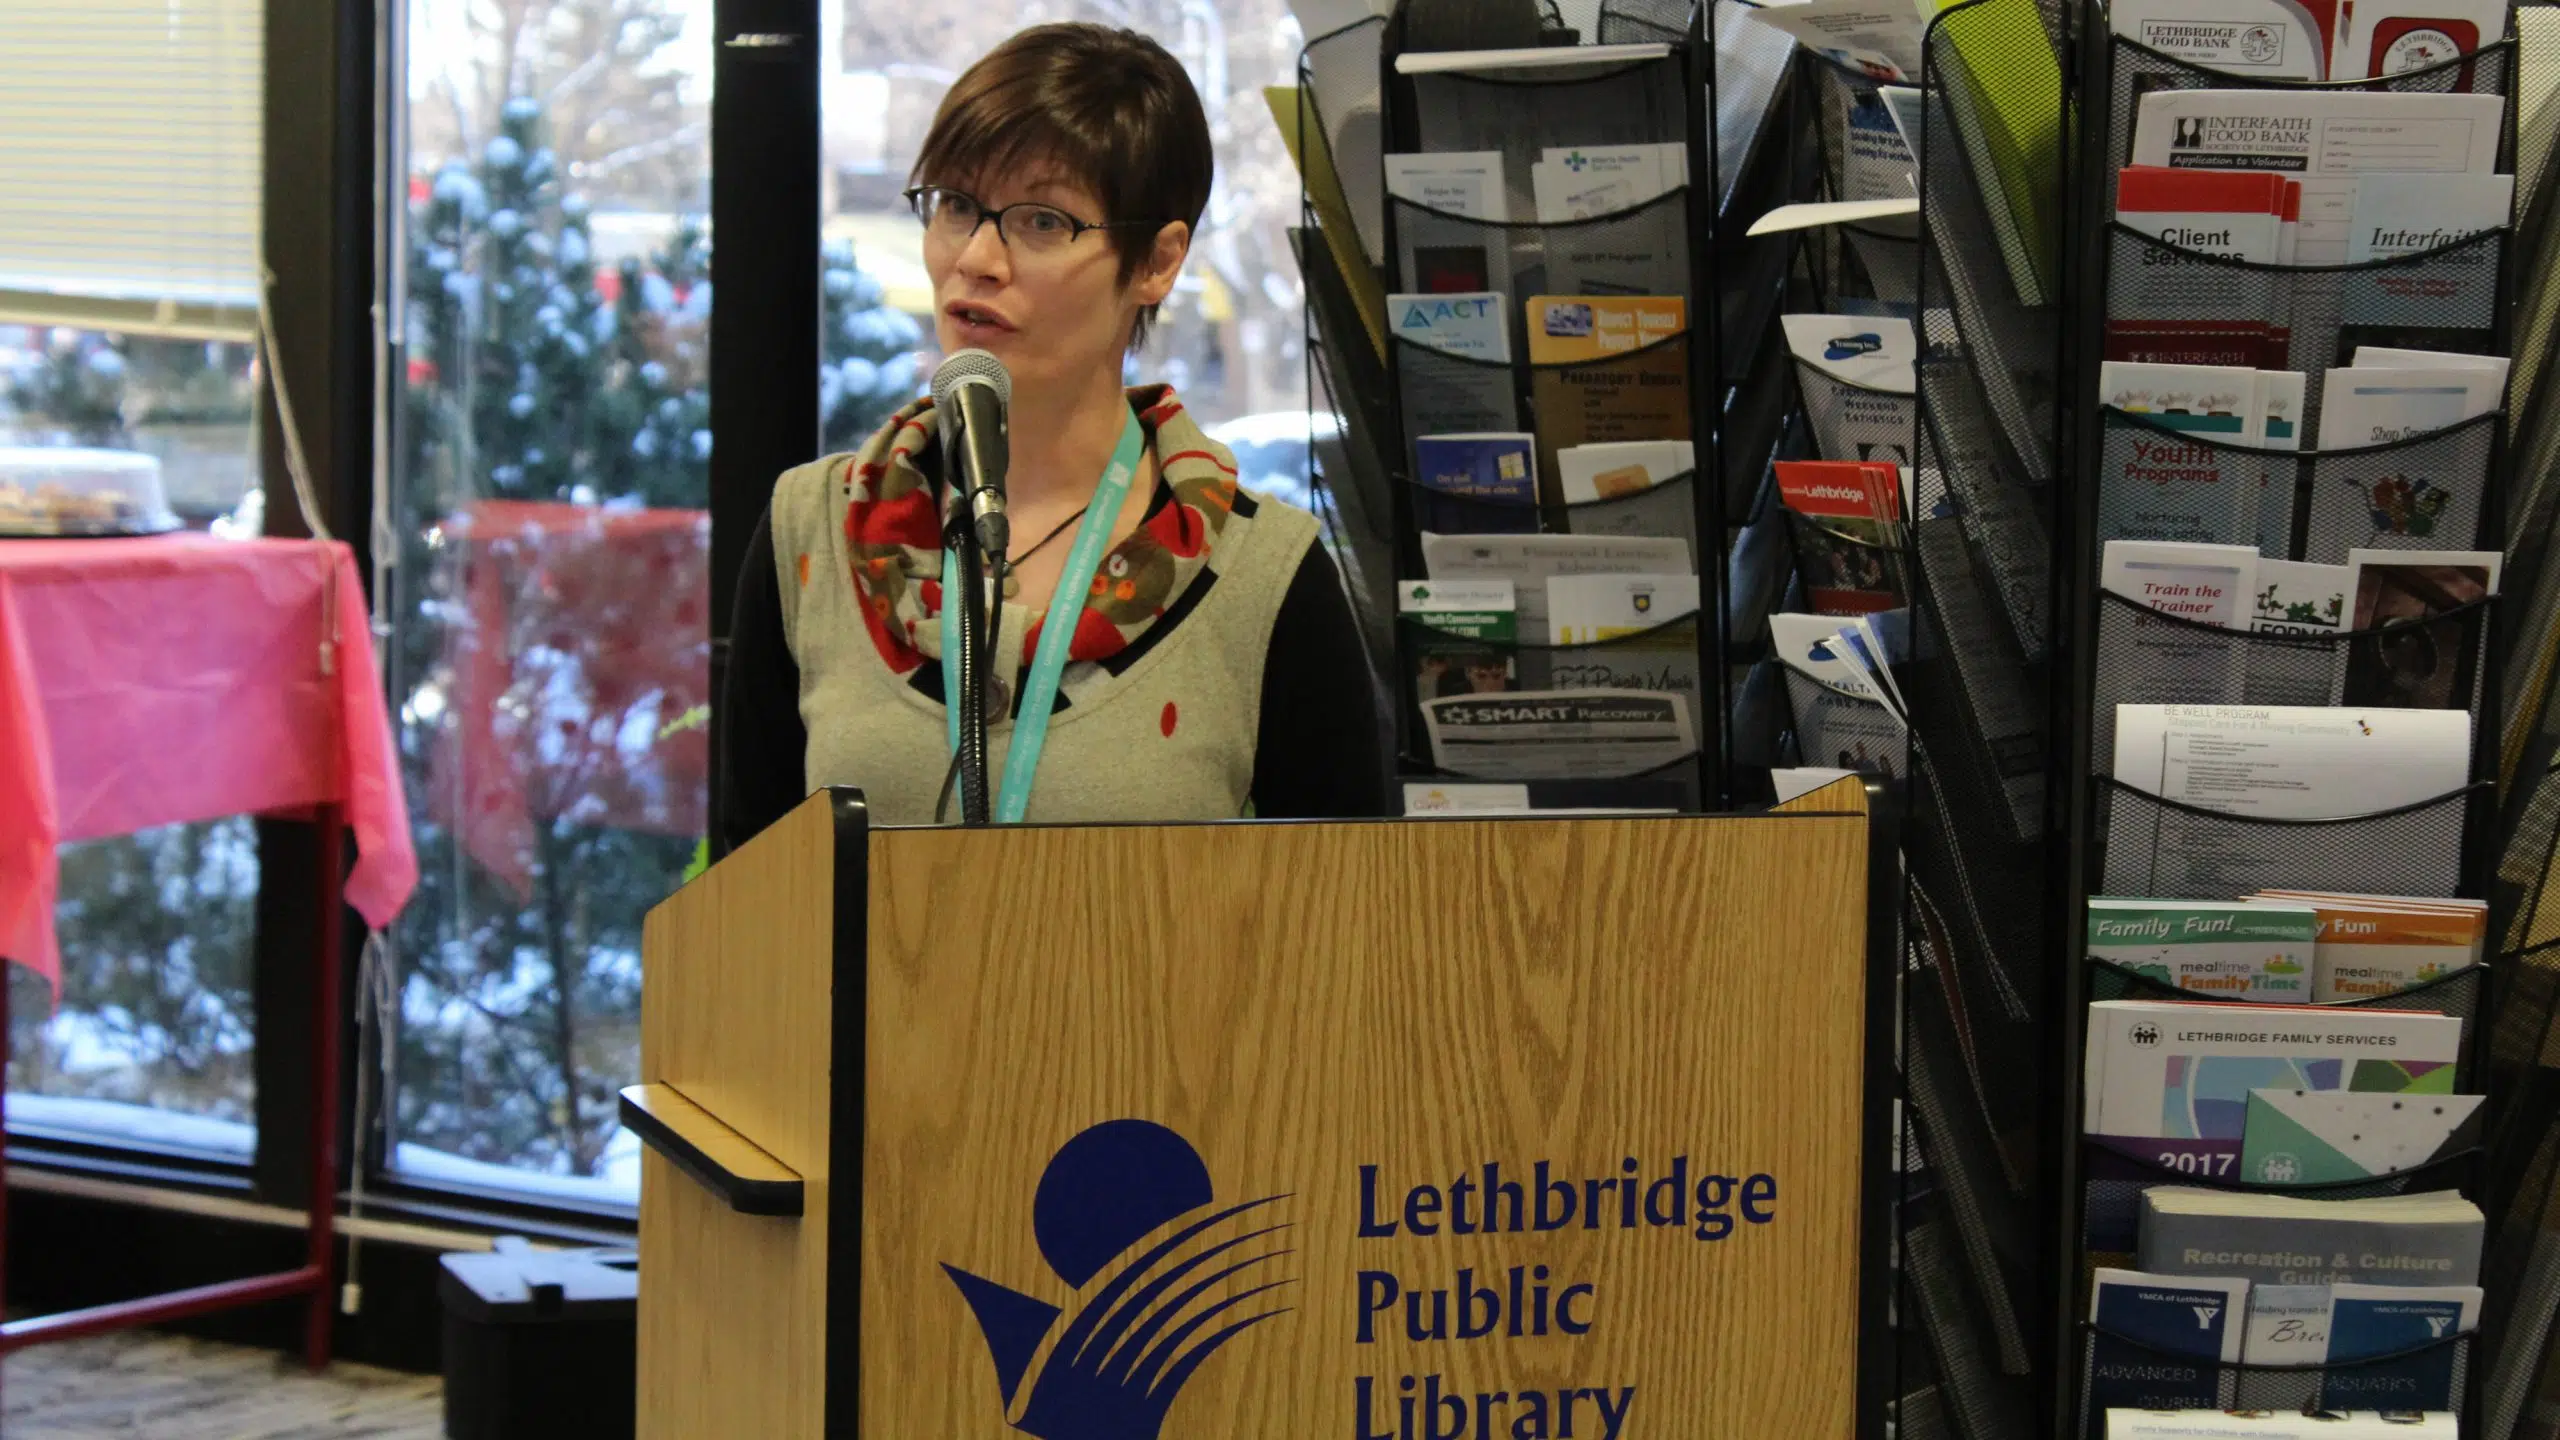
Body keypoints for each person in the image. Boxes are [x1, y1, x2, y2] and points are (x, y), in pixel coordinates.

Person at [717, 22, 1387, 848]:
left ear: (1157, 263)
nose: (977, 258)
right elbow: (741, 902)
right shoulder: (809, 533)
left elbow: (1346, 924)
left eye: (1041, 221)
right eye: (957, 206)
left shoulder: (1262, 577)